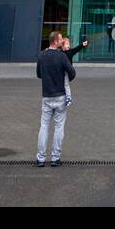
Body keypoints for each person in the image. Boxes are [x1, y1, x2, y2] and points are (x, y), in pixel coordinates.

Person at [35, 31, 76, 168]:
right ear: (56, 41)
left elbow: (39, 74)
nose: (61, 42)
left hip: (46, 96)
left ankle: (40, 159)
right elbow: (72, 72)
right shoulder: (61, 56)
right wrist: (65, 78)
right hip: (60, 96)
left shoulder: (42, 55)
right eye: (60, 40)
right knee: (59, 128)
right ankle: (55, 158)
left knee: (44, 126)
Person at [59, 35, 89, 107]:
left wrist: (82, 44)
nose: (68, 45)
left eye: (69, 44)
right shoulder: (59, 53)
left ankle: (68, 97)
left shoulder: (70, 52)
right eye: (66, 44)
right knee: (61, 84)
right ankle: (62, 96)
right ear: (62, 46)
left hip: (67, 72)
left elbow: (77, 49)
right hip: (60, 71)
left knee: (66, 84)